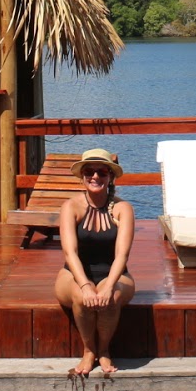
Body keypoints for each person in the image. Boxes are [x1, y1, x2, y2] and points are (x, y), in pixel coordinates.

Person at [53, 147, 136, 377]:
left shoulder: (123, 209)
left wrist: (109, 285)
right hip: (74, 273)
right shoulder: (70, 207)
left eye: (102, 172)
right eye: (89, 171)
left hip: (116, 274)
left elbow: (122, 255)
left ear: (110, 177)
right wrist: (85, 285)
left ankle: (104, 348)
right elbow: (70, 253)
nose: (95, 177)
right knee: (82, 297)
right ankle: (89, 350)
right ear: (82, 176)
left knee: (111, 298)